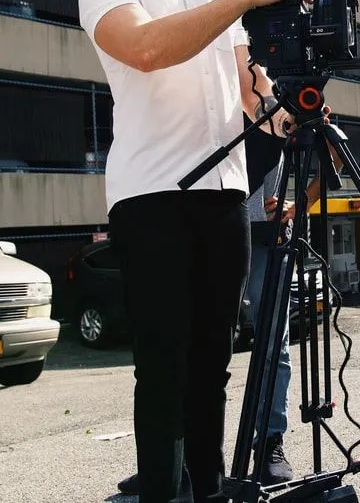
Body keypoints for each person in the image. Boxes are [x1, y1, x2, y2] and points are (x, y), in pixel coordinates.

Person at [77, 0, 311, 503]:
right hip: (152, 197)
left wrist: (298, 105)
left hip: (224, 197)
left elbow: (251, 99)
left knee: (212, 368)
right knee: (164, 369)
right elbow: (148, 48)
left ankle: (204, 492)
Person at [118, 119, 344, 496]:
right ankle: (172, 459)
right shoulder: (203, 90)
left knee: (272, 344)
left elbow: (335, 152)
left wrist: (299, 202)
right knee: (179, 348)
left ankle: (270, 442)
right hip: (197, 225)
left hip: (265, 234)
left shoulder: (270, 93)